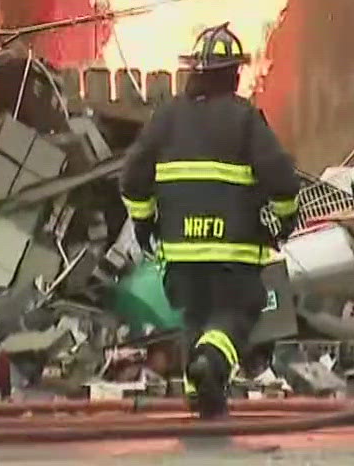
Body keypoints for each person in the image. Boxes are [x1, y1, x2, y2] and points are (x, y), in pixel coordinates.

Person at [119, 24, 301, 419]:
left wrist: (145, 222)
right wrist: (285, 221)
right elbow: (283, 180)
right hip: (232, 253)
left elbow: (132, 178)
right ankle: (210, 367)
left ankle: (203, 396)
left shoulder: (166, 118)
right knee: (236, 314)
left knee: (196, 320)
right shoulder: (244, 119)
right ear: (233, 74)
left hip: (180, 254)